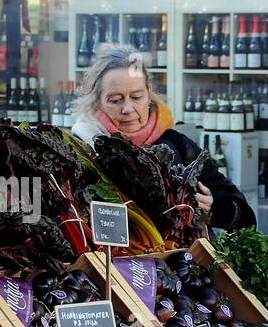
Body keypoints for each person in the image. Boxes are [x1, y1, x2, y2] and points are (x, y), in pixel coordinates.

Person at [70, 43, 255, 231]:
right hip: (103, 259)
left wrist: (214, 206)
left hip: (180, 258)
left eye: (136, 97)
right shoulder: (79, 149)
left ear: (149, 93)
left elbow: (246, 217)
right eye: (115, 100)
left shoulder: (177, 145)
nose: (127, 109)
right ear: (96, 100)